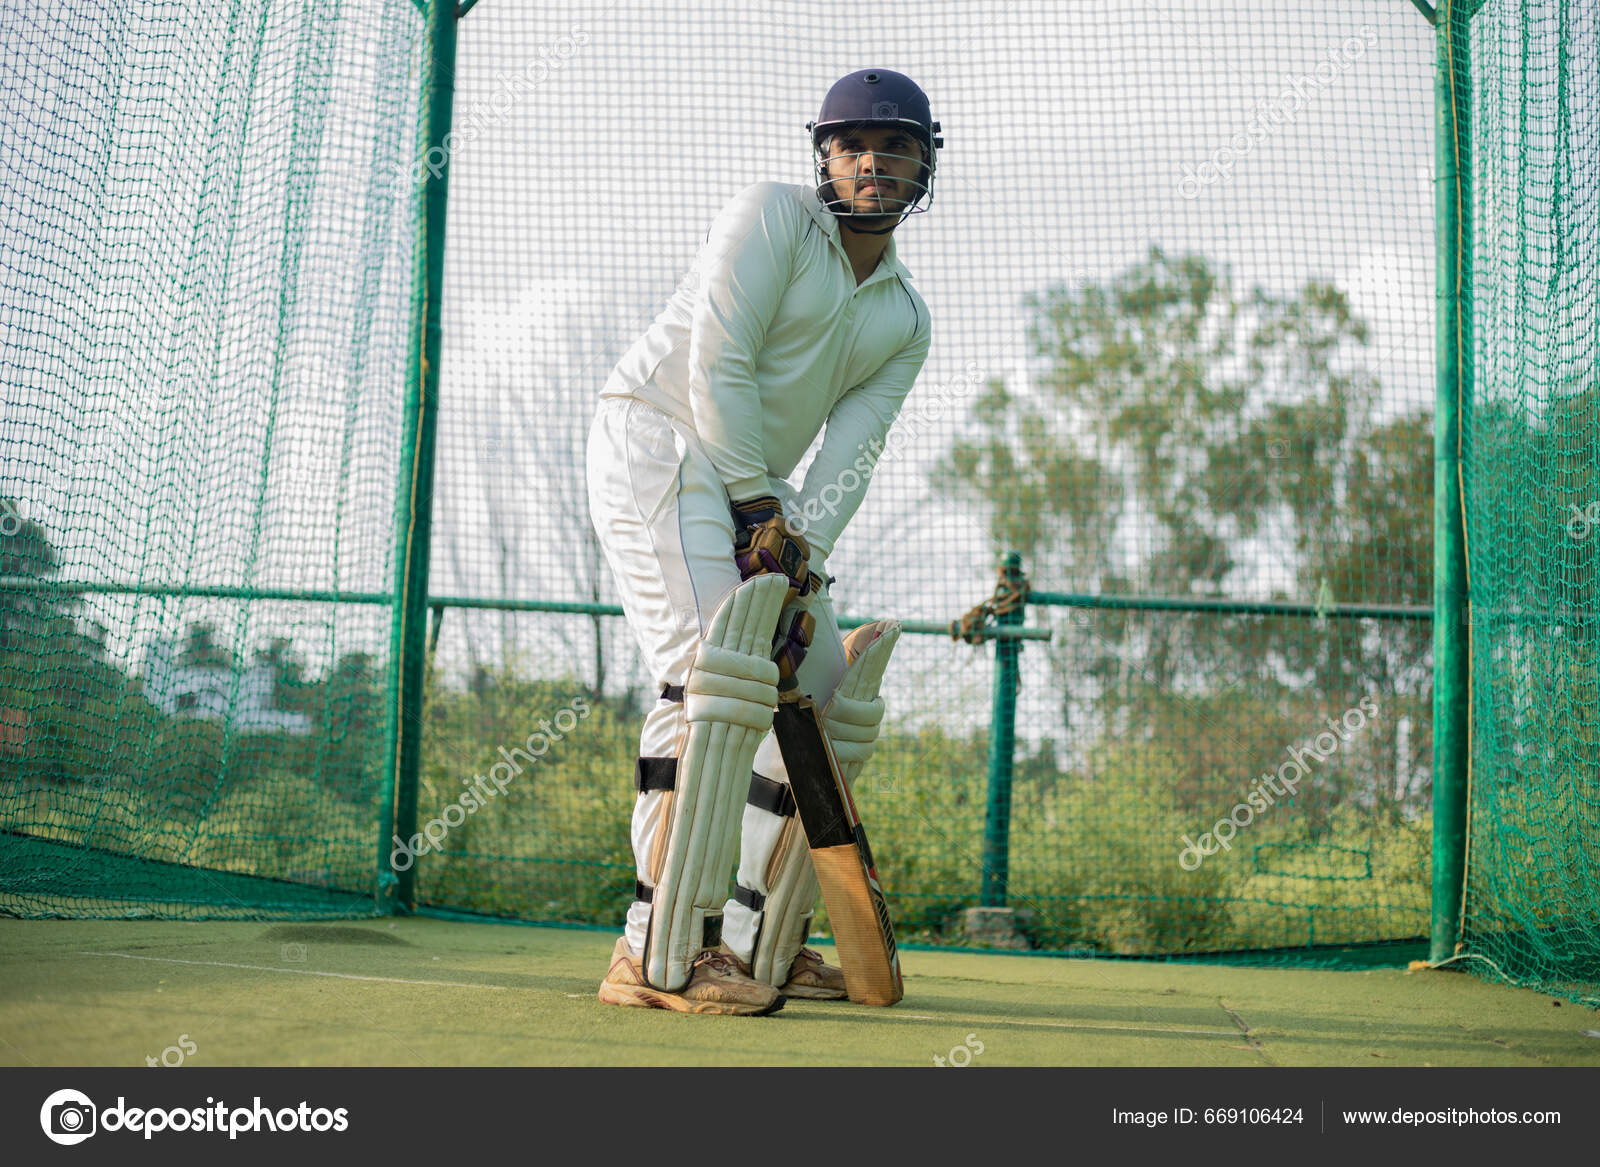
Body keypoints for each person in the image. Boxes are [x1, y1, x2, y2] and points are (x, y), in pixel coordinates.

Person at [585, 68, 940, 1015]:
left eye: (894, 146)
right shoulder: (775, 216)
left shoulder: (905, 317)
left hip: (758, 488)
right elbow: (719, 360)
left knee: (820, 692)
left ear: (924, 164)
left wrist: (799, 553)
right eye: (850, 145)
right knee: (712, 675)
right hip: (658, 437)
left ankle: (749, 940)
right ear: (821, 157)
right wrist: (754, 509)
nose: (871, 161)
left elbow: (850, 457)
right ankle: (654, 945)